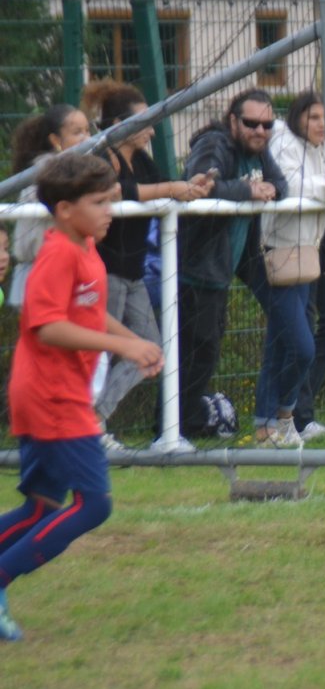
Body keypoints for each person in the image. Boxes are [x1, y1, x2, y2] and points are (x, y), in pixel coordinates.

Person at [0, 154, 164, 641]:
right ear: (65, 209)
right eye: (99, 202)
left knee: (41, 509)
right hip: (53, 397)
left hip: (51, 394)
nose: (110, 210)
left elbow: (88, 312)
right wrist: (122, 346)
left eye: (110, 200)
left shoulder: (85, 245)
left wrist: (132, 340)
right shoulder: (58, 255)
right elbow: (47, 327)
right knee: (94, 505)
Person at [81, 81, 212, 448]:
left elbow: (164, 185)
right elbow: (112, 191)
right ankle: (87, 426)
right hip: (105, 272)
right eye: (145, 121)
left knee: (151, 350)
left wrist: (190, 186)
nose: (152, 131)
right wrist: (170, 189)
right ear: (119, 124)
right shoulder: (102, 156)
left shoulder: (141, 160)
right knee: (101, 352)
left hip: (133, 274)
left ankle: (94, 417)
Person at [177, 89, 288, 440]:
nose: (260, 131)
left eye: (268, 125)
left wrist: (268, 189)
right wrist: (248, 190)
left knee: (206, 351)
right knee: (195, 353)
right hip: (195, 269)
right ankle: (173, 428)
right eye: (252, 123)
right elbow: (199, 186)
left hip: (226, 267)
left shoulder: (257, 151)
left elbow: (280, 184)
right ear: (233, 121)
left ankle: (184, 425)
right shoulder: (214, 144)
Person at [263, 90, 325, 446]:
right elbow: (289, 187)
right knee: (298, 345)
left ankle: (275, 422)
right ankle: (281, 418)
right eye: (314, 117)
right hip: (279, 252)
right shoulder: (283, 143)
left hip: (307, 252)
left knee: (286, 343)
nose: (322, 125)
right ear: (297, 117)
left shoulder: (323, 147)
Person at [8, 104, 92, 308]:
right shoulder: (48, 170)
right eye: (77, 132)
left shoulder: (77, 168)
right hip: (40, 272)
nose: (86, 138)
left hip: (64, 271)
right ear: (55, 140)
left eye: (88, 130)